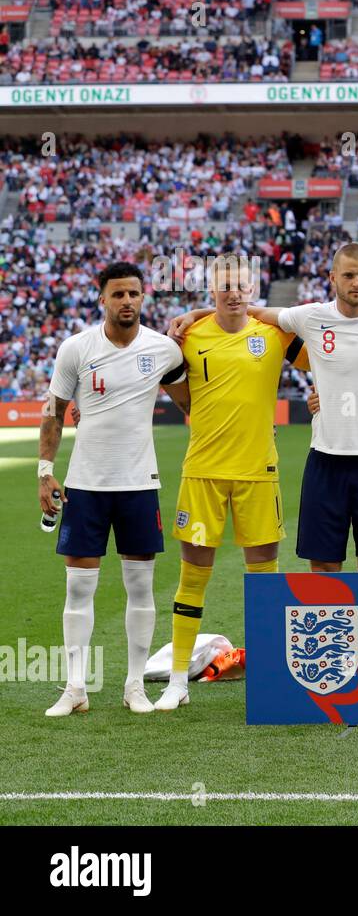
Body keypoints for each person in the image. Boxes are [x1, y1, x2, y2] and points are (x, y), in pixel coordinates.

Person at [152, 256, 311, 712]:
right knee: (192, 577)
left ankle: (274, 672)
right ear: (212, 289)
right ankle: (178, 679)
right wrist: (194, 317)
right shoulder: (187, 338)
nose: (235, 293)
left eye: (242, 285)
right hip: (202, 471)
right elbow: (175, 389)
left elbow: (328, 346)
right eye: (225, 285)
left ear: (253, 288)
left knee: (265, 579)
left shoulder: (275, 333)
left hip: (259, 473)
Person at [39, 262, 187, 717]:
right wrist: (45, 471)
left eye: (134, 294)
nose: (127, 301)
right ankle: (75, 688)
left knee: (141, 588)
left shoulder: (163, 350)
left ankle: (135, 685)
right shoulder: (76, 349)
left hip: (139, 485)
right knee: (78, 591)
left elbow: (191, 407)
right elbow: (53, 412)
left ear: (144, 298)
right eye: (118, 294)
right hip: (86, 485)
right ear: (102, 297)